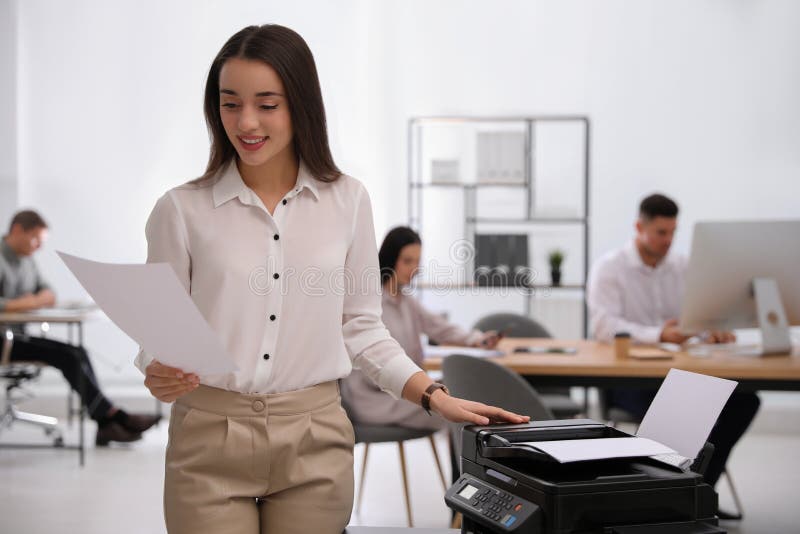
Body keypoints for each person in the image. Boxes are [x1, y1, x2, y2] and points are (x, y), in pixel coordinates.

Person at [137, 25, 528, 534]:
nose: (246, 121)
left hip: (314, 439)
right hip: (209, 439)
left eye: (267, 104)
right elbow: (158, 333)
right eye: (230, 103)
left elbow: (361, 327)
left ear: (301, 104)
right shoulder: (180, 210)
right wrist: (156, 367)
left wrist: (432, 395)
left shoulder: (348, 200)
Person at [587, 193, 760, 519]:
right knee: (688, 411)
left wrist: (713, 330)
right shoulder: (610, 268)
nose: (668, 240)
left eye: (672, 232)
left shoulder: (683, 267)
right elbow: (604, 328)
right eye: (660, 232)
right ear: (639, 228)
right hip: (630, 381)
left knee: (744, 401)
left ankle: (696, 493)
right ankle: (676, 499)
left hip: (682, 375)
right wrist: (659, 334)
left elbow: (698, 317)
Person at [0, 210, 161, 445]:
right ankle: (112, 417)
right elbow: (34, 299)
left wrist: (26, 302)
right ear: (17, 230)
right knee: (68, 357)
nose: (38, 247)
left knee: (78, 352)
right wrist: (30, 302)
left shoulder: (27, 260)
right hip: (3, 341)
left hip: (18, 338)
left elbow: (48, 293)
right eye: (35, 239)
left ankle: (106, 420)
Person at [341, 226, 501, 431]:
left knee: (460, 395)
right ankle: (468, 452)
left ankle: (470, 451)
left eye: (417, 261)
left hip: (402, 390)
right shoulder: (369, 304)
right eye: (407, 261)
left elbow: (440, 327)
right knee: (457, 408)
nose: (414, 268)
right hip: (374, 399)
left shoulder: (406, 301)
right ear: (390, 258)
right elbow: (371, 366)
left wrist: (477, 339)